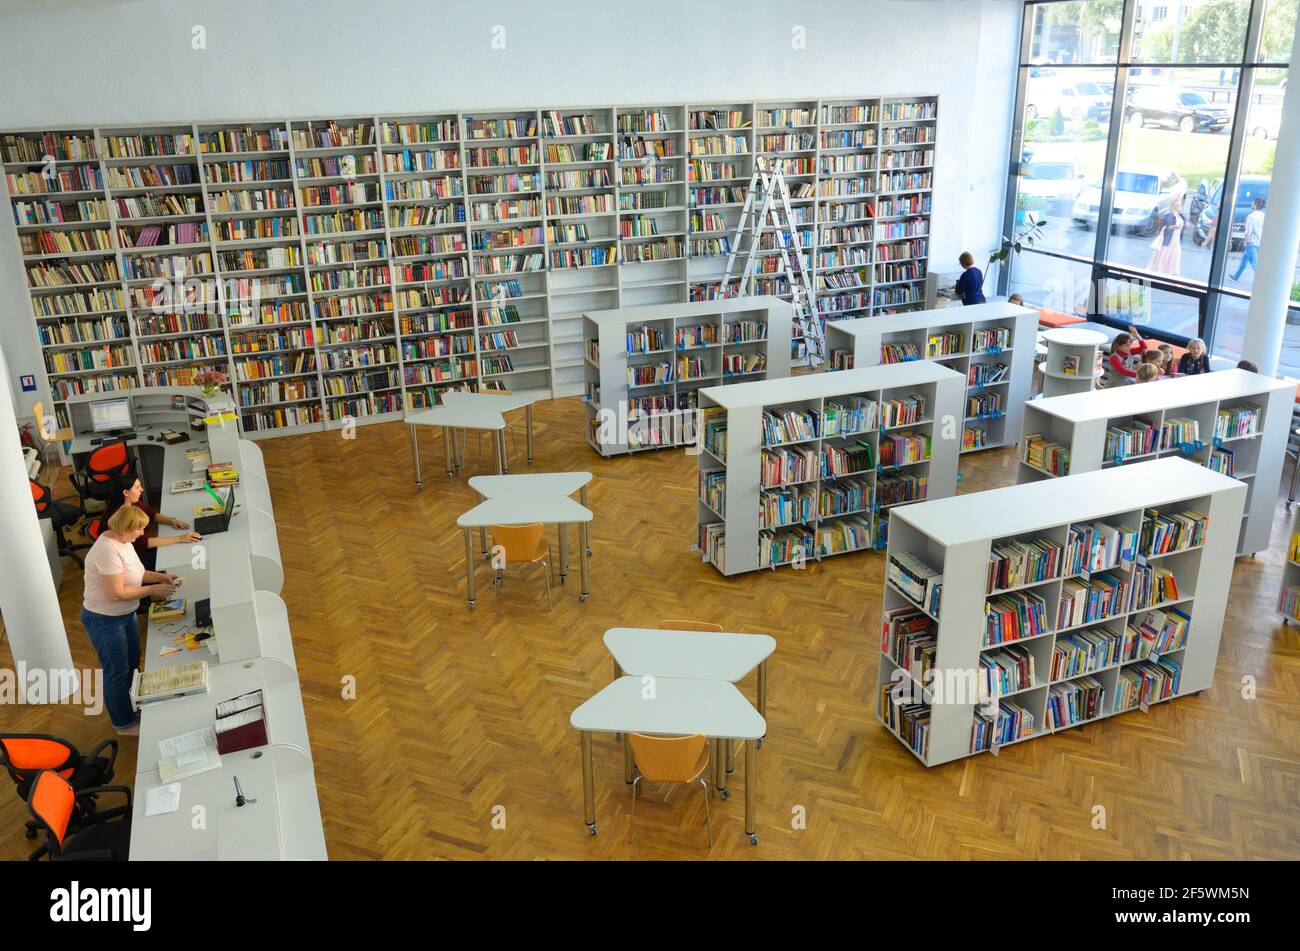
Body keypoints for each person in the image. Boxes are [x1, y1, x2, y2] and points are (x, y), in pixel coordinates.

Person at [81, 505, 178, 735]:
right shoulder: (107, 550)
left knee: (132, 664)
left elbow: (136, 573)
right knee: (117, 671)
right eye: (140, 529)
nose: (142, 534)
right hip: (105, 620)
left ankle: (134, 706)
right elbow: (117, 592)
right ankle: (124, 723)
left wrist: (161, 576)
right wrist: (153, 589)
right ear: (126, 528)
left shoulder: (124, 542)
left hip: (125, 614)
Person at [102, 471, 201, 571]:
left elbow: (152, 514)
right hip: (133, 559)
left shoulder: (133, 503)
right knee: (176, 558)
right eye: (137, 488)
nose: (142, 489)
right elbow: (143, 544)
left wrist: (171, 521)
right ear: (126, 493)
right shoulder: (122, 516)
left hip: (139, 549)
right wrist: (180, 538)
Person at [1231, 197, 1266, 282]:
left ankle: (1262, 280)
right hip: (1259, 242)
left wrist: (1246, 242)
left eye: (1253, 202)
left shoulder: (1251, 216)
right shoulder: (1263, 215)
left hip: (1252, 243)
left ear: (1255, 205)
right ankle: (1236, 276)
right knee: (1244, 260)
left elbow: (1248, 232)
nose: (1251, 204)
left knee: (1254, 263)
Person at [1147, 198, 1184, 276]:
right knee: (1164, 256)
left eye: (1180, 205)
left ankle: (1170, 272)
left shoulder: (1179, 215)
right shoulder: (1170, 215)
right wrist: (1175, 226)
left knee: (1173, 258)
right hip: (1169, 240)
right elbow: (1167, 228)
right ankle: (1160, 271)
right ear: (1174, 206)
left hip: (1176, 241)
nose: (1180, 206)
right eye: (1178, 205)